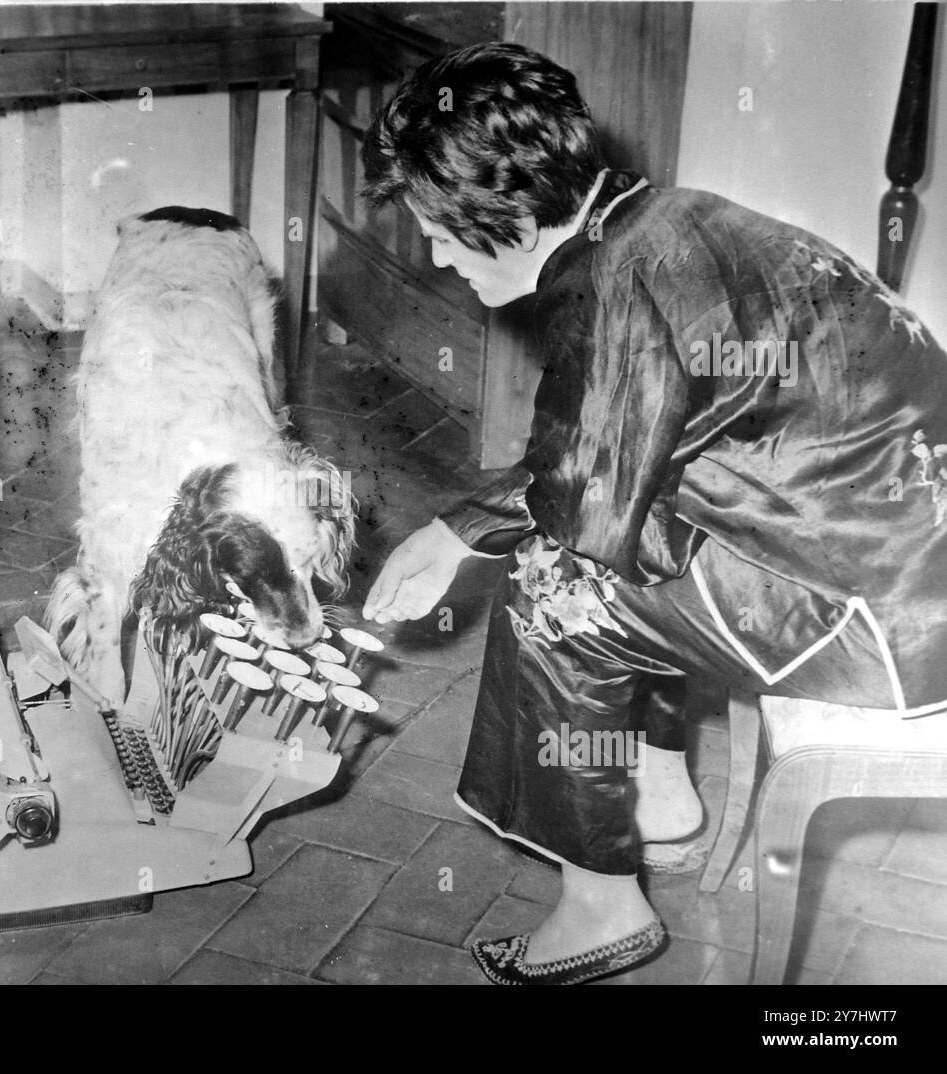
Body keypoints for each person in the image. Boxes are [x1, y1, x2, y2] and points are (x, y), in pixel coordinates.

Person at [360, 42, 947, 986]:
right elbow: (623, 458)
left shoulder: (619, 285)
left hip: (891, 619)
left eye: (439, 228)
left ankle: (600, 908)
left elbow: (579, 499)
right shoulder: (670, 218)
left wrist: (456, 532)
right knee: (646, 529)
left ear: (503, 215)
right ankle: (663, 802)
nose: (434, 252)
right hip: (907, 556)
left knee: (553, 588)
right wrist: (473, 522)